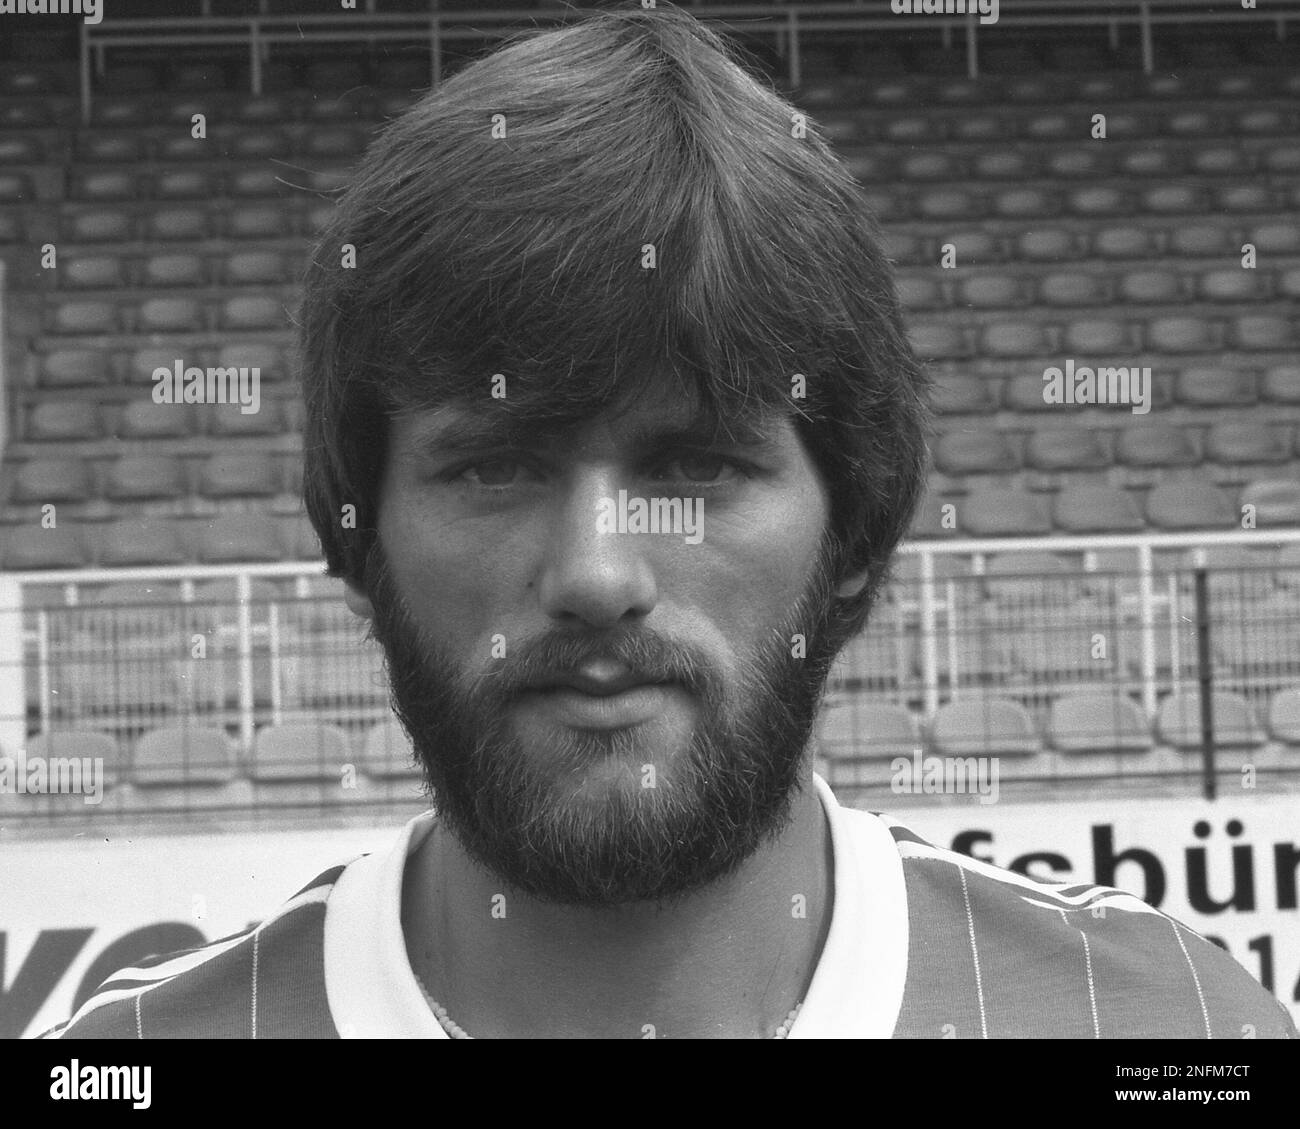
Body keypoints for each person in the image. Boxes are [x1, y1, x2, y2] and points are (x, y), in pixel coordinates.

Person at [43, 4, 1295, 1039]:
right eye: (492, 465)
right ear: (358, 538)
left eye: (695, 464)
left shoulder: (1168, 1031)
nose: (596, 570)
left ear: (851, 529)